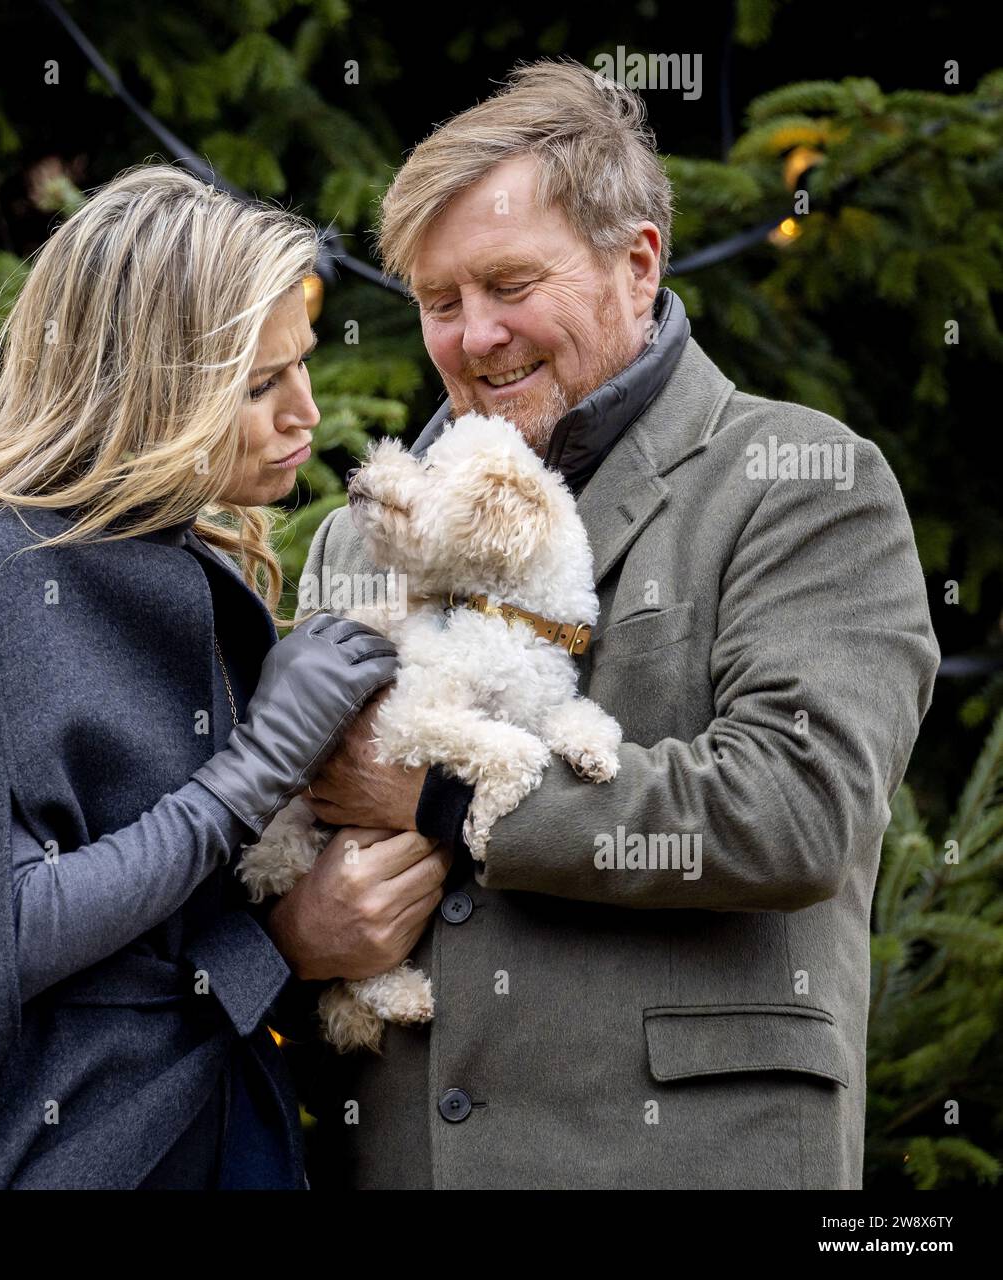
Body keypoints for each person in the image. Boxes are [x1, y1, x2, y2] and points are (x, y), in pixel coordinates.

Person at [268, 58, 941, 1189]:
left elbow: (792, 808)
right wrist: (297, 933)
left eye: (509, 284)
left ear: (637, 263)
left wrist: (444, 795)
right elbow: (272, 820)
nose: (475, 337)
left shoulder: (801, 480)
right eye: (440, 302)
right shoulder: (356, 540)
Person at [0, 163, 449, 1189]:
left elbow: (169, 946)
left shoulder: (206, 577)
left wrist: (292, 935)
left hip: (235, 1140)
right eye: (259, 385)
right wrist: (259, 763)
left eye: (302, 365)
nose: (305, 413)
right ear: (149, 385)